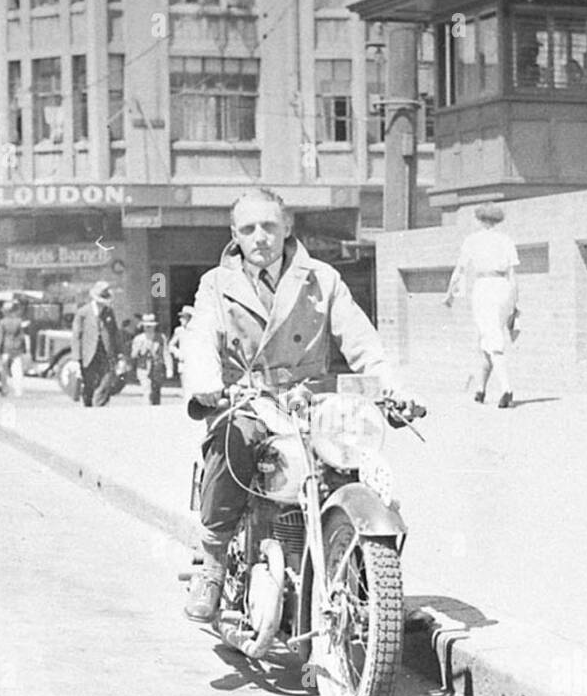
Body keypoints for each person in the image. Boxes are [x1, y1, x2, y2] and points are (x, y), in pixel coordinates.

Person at [180, 186, 400, 623]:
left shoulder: (323, 279)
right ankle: (214, 562)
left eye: (269, 226)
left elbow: (360, 339)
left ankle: (366, 578)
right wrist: (205, 382)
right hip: (246, 397)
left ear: (287, 228)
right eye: (248, 228)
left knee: (353, 458)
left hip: (308, 399)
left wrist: (392, 388)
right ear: (234, 234)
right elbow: (201, 335)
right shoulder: (217, 284)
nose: (260, 237)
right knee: (232, 437)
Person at [443, 202, 520, 408]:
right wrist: (514, 303)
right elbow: (513, 276)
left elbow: (460, 269)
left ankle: (506, 389)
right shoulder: (506, 240)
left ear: (479, 220)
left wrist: (450, 293)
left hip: (484, 286)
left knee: (491, 338)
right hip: (503, 287)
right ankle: (481, 389)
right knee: (488, 337)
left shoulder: (472, 240)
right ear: (497, 220)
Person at [71, 281, 122, 407]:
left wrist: (120, 355)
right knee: (88, 386)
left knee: (106, 383)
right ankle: (88, 410)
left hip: (106, 354)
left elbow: (115, 334)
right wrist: (76, 359)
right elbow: (76, 336)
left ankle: (100, 409)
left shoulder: (109, 312)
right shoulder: (83, 312)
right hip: (88, 355)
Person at [130, 313, 171, 406]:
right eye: (146, 327)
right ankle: (147, 412)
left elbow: (166, 353)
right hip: (143, 369)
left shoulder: (161, 337)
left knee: (156, 393)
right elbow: (133, 355)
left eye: (150, 327)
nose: (148, 329)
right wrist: (139, 349)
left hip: (157, 369)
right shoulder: (138, 339)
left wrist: (169, 368)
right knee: (147, 391)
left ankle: (156, 414)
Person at [0, 301, 28, 398]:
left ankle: (4, 390)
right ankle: (18, 391)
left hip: (6, 348)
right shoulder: (18, 321)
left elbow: (0, 338)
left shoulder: (2, 322)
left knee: (4, 370)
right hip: (17, 349)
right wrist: (24, 349)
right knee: (17, 371)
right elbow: (22, 337)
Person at [166, 305, 193, 382]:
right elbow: (171, 345)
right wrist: (178, 353)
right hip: (183, 364)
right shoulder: (179, 331)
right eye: (181, 317)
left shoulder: (198, 331)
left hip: (195, 364)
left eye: (183, 317)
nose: (180, 319)